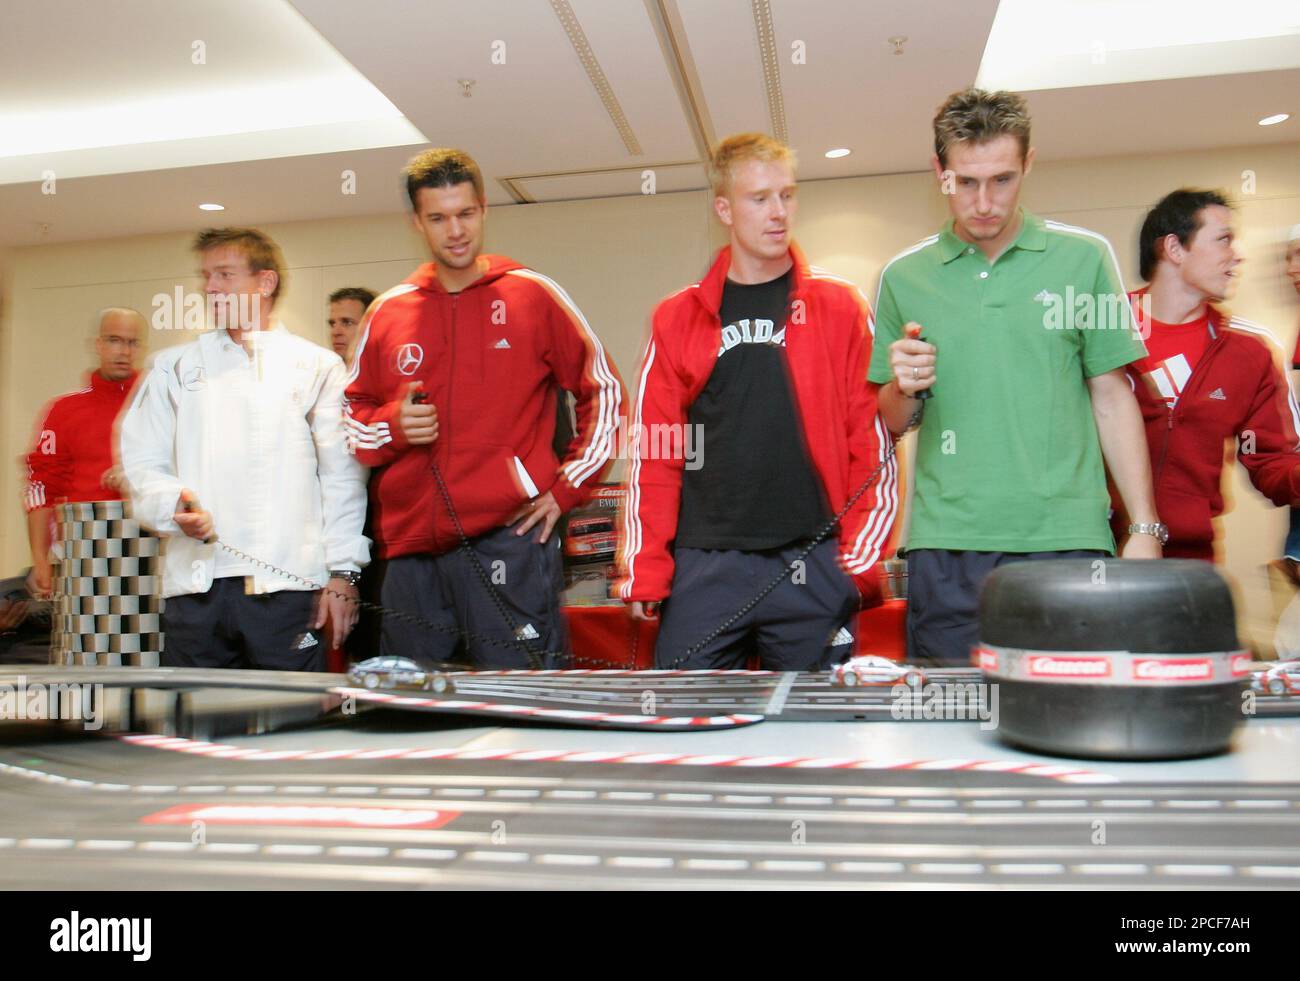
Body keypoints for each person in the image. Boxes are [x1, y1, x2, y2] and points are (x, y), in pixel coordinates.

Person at [868, 88, 1163, 666]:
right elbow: (893, 421)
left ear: (1028, 163)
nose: (984, 203)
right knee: (953, 714)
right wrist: (902, 387)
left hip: (1067, 539)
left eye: (1002, 180)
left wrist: (1146, 527)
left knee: (1073, 707)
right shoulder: (903, 276)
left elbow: (1111, 396)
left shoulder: (1085, 258)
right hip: (947, 544)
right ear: (939, 173)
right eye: (966, 182)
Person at [619, 132, 897, 670]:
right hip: (706, 566)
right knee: (684, 712)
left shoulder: (839, 306)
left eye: (787, 195)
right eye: (760, 198)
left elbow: (871, 440)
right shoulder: (677, 317)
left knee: (815, 719)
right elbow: (656, 450)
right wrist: (645, 566)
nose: (778, 212)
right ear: (724, 209)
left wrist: (857, 562)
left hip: (813, 558)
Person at [344, 149, 624, 668]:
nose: (455, 231)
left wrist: (566, 490)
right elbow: (349, 418)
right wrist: (393, 426)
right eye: (438, 218)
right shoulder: (388, 312)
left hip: (509, 542)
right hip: (411, 555)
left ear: (484, 209)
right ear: (416, 221)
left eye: (466, 214)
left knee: (523, 701)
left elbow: (604, 391)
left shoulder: (531, 295)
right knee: (411, 706)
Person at [119, 227, 369, 670]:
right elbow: (142, 463)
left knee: (292, 712)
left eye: (225, 274)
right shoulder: (173, 367)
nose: (210, 287)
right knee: (196, 713)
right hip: (195, 589)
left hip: (289, 587)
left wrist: (343, 571)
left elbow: (341, 478)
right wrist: (171, 503)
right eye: (206, 276)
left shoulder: (316, 366)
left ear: (265, 282)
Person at [1121, 190, 1300, 560]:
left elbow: (1271, 461)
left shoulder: (1249, 351)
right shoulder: (1100, 330)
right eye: (1224, 239)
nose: (1238, 255)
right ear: (1174, 248)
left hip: (1191, 562)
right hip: (1094, 553)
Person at [23, 308, 143, 599]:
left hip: (148, 551)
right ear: (98, 345)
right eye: (114, 340)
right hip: (81, 554)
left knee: (149, 630)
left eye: (132, 342)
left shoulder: (161, 405)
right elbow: (41, 489)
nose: (124, 351)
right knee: (86, 632)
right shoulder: (63, 411)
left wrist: (139, 478)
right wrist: (40, 559)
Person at [327, 287, 375, 368]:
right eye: (332, 324)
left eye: (347, 322)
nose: (335, 332)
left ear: (370, 327)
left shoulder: (387, 373)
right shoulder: (320, 372)